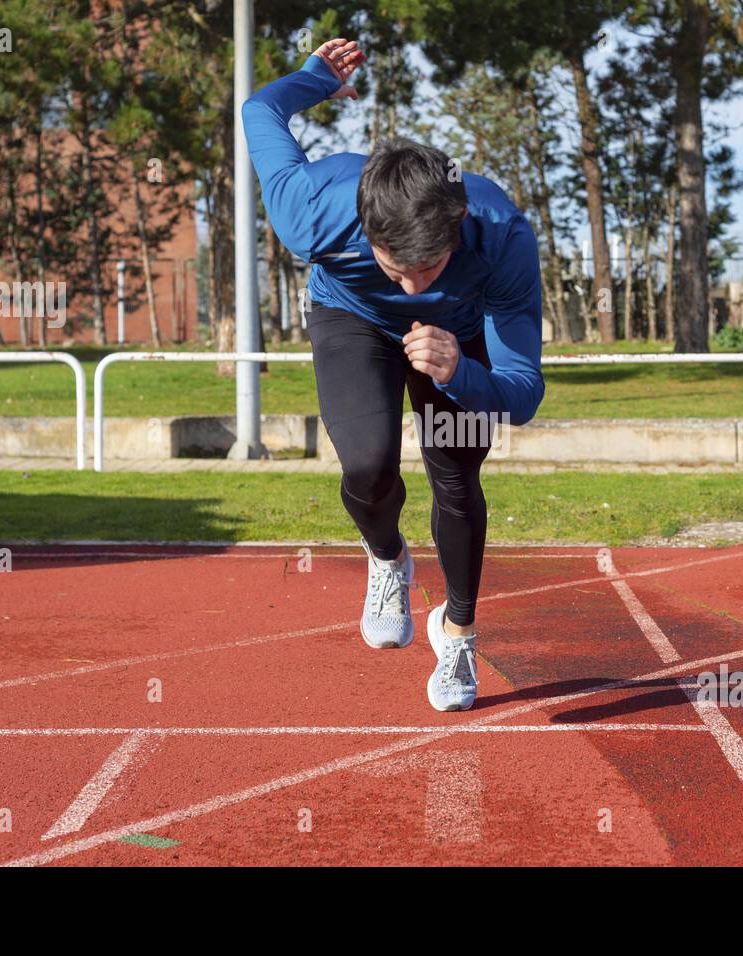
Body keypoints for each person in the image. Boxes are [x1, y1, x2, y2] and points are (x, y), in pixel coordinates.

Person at [242, 38, 544, 711]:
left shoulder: (501, 235)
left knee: (457, 476)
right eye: (394, 265)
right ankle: (388, 559)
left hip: (460, 339)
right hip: (352, 319)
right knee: (367, 466)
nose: (411, 285)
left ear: (457, 224)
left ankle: (458, 632)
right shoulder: (312, 206)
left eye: (428, 267)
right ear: (364, 226)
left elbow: (522, 394)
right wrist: (316, 78)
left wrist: (462, 370)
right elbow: (260, 109)